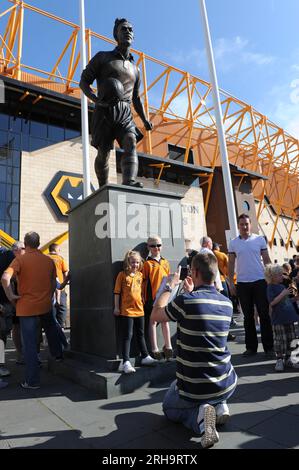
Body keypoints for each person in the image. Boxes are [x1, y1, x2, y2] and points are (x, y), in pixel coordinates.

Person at [151, 252, 237, 449]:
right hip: (226, 382)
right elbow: (202, 311)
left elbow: (156, 314)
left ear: (194, 272)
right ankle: (219, 404)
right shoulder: (227, 304)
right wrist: (191, 293)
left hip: (195, 387)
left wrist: (169, 285)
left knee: (169, 408)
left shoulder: (186, 302)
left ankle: (200, 417)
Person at [79, 18, 153, 188]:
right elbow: (83, 82)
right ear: (116, 35)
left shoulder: (136, 69)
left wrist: (144, 119)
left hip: (125, 112)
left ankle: (129, 181)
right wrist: (97, 100)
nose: (128, 31)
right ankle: (103, 186)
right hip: (105, 110)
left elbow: (136, 98)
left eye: (130, 29)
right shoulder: (102, 57)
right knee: (103, 153)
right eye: (123, 29)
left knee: (130, 142)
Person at [1, 232, 63, 389]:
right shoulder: (48, 261)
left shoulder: (20, 259)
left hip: (26, 307)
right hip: (45, 305)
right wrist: (48, 297)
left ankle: (32, 381)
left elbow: (5, 278)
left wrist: (11, 296)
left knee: (29, 345)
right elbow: (53, 283)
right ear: (39, 242)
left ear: (26, 245)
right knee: (52, 327)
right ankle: (57, 353)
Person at [228, 214, 274, 357]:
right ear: (239, 226)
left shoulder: (259, 239)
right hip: (242, 283)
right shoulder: (233, 243)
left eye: (247, 224)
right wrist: (231, 283)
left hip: (260, 281)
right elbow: (230, 263)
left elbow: (266, 260)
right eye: (242, 224)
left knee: (264, 315)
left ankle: (269, 348)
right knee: (247, 317)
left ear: (250, 225)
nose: (244, 227)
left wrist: (271, 276)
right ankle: (251, 348)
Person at [114, 250, 156, 374]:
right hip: (126, 311)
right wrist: (116, 307)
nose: (135, 265)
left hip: (140, 310)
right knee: (128, 335)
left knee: (141, 334)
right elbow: (117, 293)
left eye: (137, 262)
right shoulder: (122, 275)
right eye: (133, 262)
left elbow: (141, 291)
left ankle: (145, 356)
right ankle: (125, 361)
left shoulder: (140, 275)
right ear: (128, 262)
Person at [142, 236, 172, 360]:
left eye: (158, 245)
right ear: (148, 247)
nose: (156, 248)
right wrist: (143, 296)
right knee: (152, 321)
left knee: (165, 320)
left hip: (164, 297)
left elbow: (169, 278)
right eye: (153, 246)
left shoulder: (165, 262)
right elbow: (143, 282)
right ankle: (154, 349)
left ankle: (168, 346)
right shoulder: (147, 264)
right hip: (152, 298)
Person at [265, 264, 299, 372]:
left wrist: (295, 298)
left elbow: (287, 301)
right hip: (278, 319)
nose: (282, 277)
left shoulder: (282, 286)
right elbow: (272, 302)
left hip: (289, 317)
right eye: (279, 275)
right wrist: (283, 294)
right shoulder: (270, 287)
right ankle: (279, 359)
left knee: (292, 339)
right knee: (280, 340)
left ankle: (290, 359)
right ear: (272, 277)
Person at [0, 240, 15, 380]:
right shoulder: (8, 254)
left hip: (4, 302)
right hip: (3, 303)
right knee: (1, 335)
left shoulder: (6, 254)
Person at [48, 243, 69, 328]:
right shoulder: (60, 259)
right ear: (56, 250)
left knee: (50, 308)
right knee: (62, 309)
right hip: (60, 287)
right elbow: (66, 273)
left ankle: (51, 327)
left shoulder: (44, 258)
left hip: (48, 289)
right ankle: (61, 327)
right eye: (59, 250)